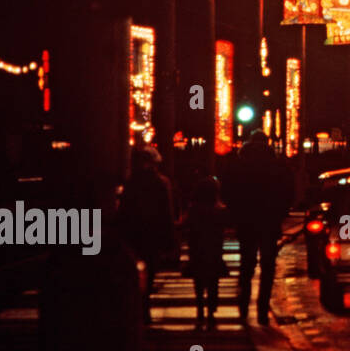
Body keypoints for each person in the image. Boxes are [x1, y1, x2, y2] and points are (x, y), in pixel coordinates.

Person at [223, 131, 294, 325]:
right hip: (269, 221)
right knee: (268, 267)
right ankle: (262, 310)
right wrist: (280, 212)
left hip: (246, 221)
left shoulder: (238, 165)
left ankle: (244, 306)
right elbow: (289, 193)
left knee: (246, 265)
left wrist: (236, 212)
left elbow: (227, 191)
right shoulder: (278, 166)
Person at [117, 145, 176, 324]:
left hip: (133, 232)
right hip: (152, 232)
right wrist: (169, 237)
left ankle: (139, 305)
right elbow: (166, 211)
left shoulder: (131, 183)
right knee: (150, 270)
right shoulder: (160, 182)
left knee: (134, 270)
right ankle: (144, 305)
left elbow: (124, 210)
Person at [182, 175, 228, 331]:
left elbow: (186, 225)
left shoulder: (194, 210)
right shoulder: (219, 210)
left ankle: (200, 306)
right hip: (214, 249)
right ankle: (211, 308)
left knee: (199, 280)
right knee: (213, 281)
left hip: (197, 249)